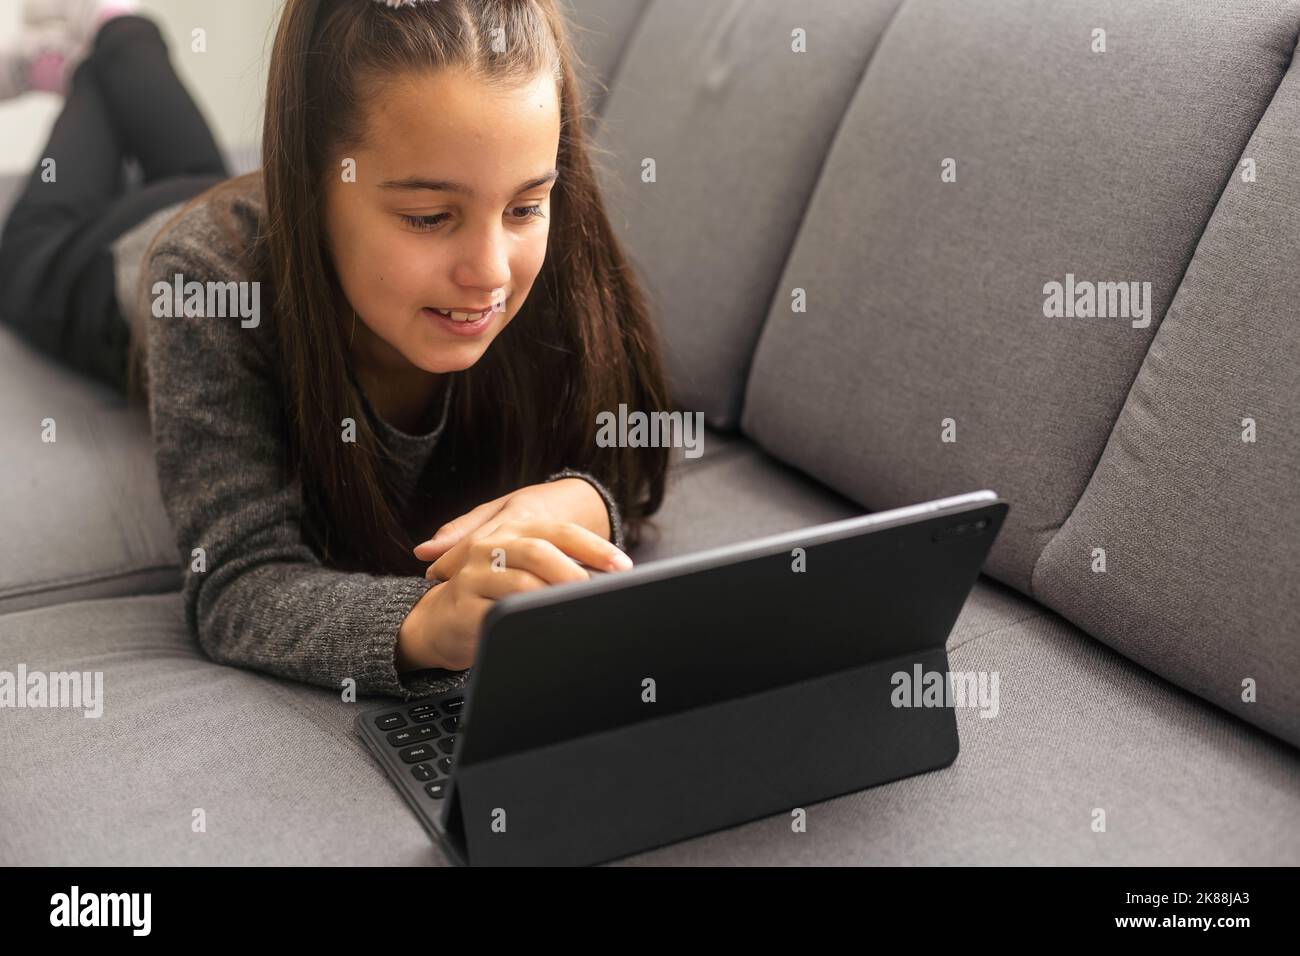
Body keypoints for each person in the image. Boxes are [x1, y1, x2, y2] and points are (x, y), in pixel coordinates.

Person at [0, 0, 671, 699]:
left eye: (525, 207)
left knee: (192, 170)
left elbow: (630, 449)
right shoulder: (204, 280)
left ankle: (117, 37)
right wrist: (422, 623)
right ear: (309, 184)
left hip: (234, 209)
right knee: (27, 242)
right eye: (430, 217)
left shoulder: (543, 238)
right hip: (110, 264)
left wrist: (578, 506)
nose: (492, 272)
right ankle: (101, 40)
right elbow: (238, 583)